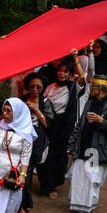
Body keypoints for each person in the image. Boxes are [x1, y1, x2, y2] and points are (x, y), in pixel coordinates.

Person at [67, 75, 107, 213]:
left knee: (92, 181)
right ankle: (79, 208)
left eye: (93, 87)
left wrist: (101, 121)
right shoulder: (90, 103)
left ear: (100, 89)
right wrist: (71, 145)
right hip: (83, 146)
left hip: (96, 150)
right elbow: (80, 125)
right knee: (78, 178)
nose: (91, 89)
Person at [38, 54, 86, 197]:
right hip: (46, 123)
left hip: (62, 126)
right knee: (43, 153)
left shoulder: (72, 88)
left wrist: (76, 58)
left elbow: (82, 78)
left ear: (71, 74)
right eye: (60, 70)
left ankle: (53, 186)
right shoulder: (50, 86)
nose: (62, 73)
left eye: (66, 71)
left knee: (57, 157)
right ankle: (44, 183)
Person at [16, 74, 50, 213]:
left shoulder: (46, 102)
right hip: (19, 139)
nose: (35, 89)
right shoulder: (21, 101)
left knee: (27, 173)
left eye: (38, 87)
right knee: (17, 170)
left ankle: (25, 205)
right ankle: (17, 203)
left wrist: (36, 110)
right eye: (32, 86)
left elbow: (49, 124)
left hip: (36, 140)